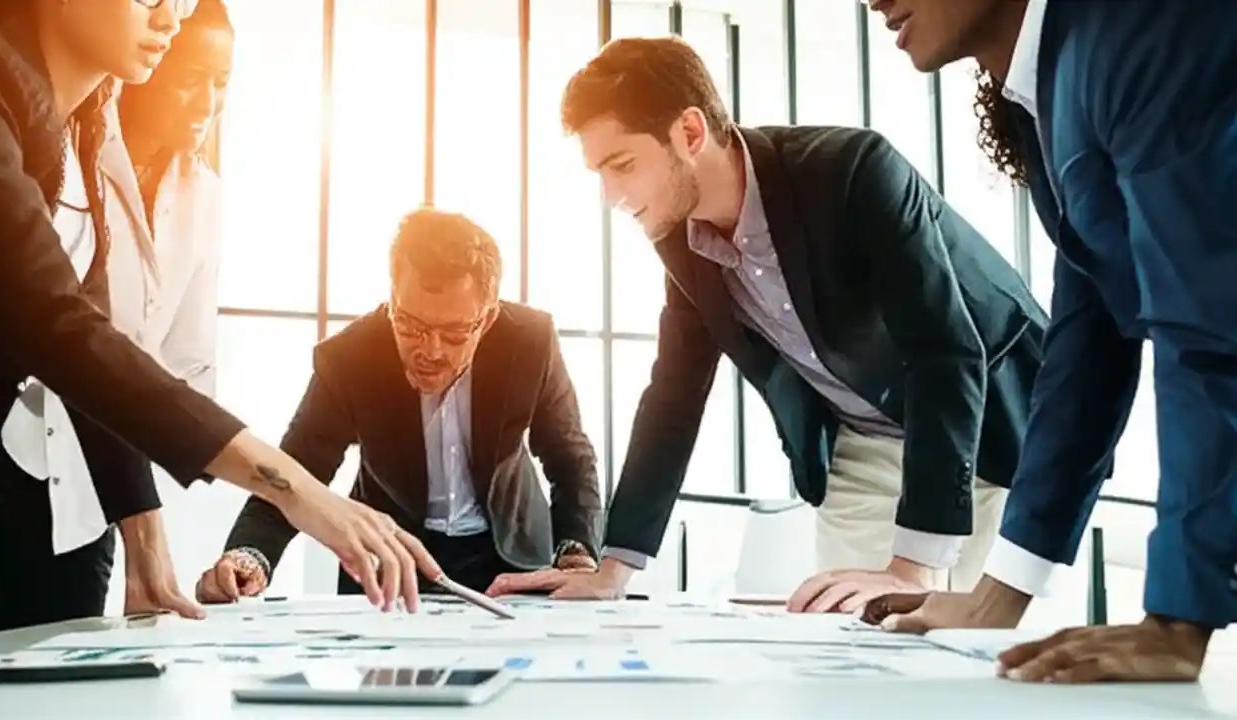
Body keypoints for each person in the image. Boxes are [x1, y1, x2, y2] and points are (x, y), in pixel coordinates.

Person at [488, 36, 1046, 613]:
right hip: (859, 440)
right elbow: (673, 398)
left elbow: (944, 350)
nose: (611, 196)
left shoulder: (853, 171)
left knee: (979, 646)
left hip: (986, 423)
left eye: (622, 165)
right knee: (850, 639)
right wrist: (613, 569)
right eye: (600, 173)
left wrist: (915, 566)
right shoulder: (678, 236)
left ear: (689, 132)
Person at [0, 0, 437, 637]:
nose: (171, 17)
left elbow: (89, 339)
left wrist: (144, 527)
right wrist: (296, 490)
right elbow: (54, 322)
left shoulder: (87, 125)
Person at [860, 0, 1237, 684]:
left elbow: (1210, 327)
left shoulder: (1138, 30)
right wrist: (997, 594)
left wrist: (1178, 619)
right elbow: (1086, 349)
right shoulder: (1050, 92)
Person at [0, 0, 236, 634]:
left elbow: (181, 357)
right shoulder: (45, 120)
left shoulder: (200, 195)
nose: (206, 100)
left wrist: (170, 506)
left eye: (221, 82)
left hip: (99, 488)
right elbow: (61, 324)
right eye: (191, 76)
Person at [196, 209, 603, 601]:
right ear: (392, 297)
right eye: (410, 324)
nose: (430, 350)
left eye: (455, 332)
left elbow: (569, 456)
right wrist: (249, 554)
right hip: (389, 560)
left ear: (488, 317)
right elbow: (299, 467)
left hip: (510, 557)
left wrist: (577, 553)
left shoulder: (529, 342)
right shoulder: (349, 358)